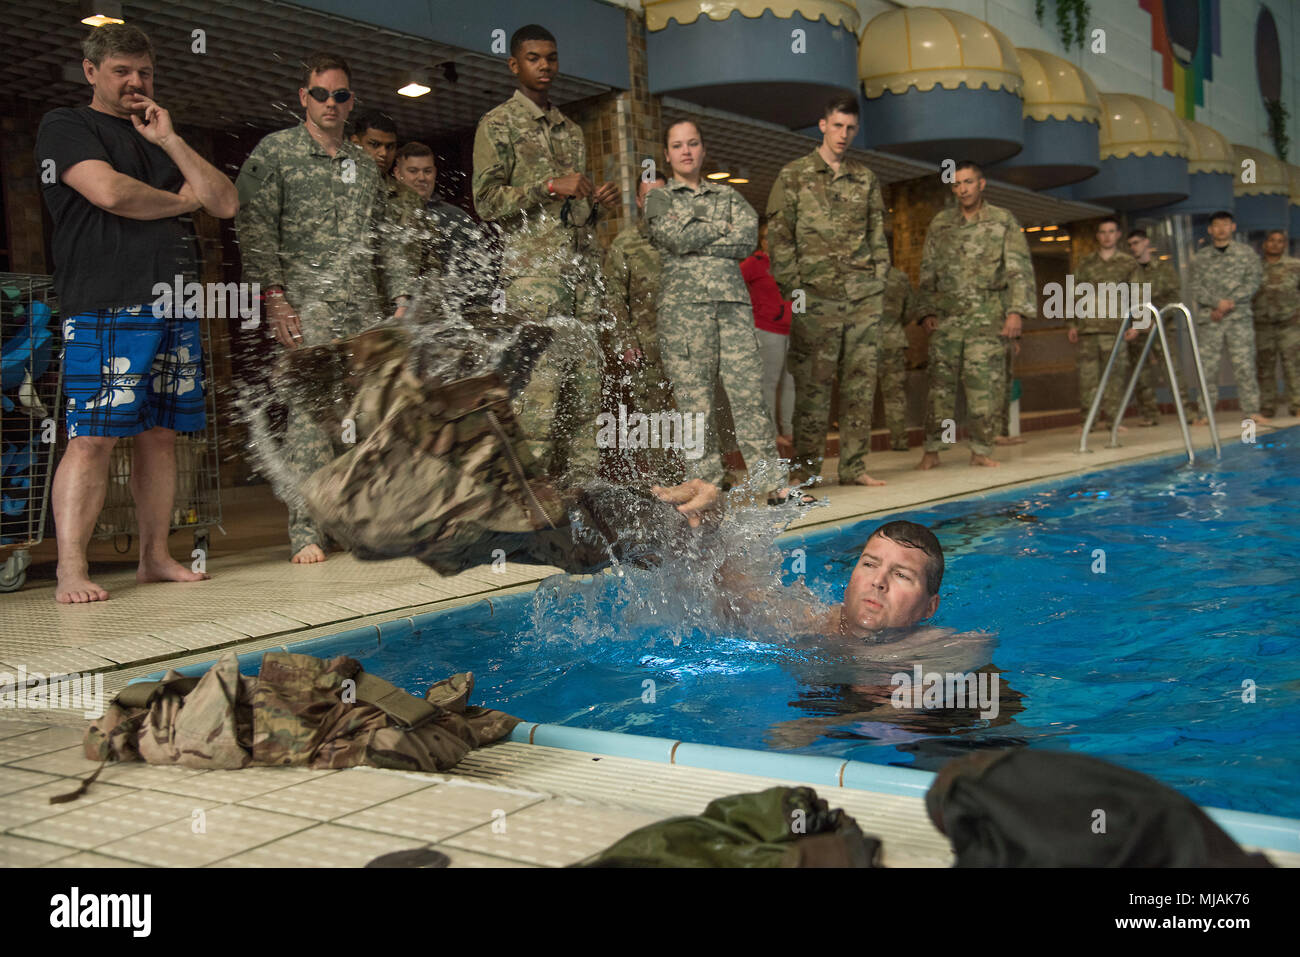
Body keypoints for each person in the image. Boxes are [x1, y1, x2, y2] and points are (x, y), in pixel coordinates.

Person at [37, 23, 238, 603]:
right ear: (91, 71)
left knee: (161, 436)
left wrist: (171, 141)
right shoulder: (66, 126)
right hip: (105, 301)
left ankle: (154, 557)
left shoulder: (163, 135)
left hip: (175, 303)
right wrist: (179, 203)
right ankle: (70, 569)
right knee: (93, 437)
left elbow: (224, 202)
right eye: (121, 71)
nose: (135, 82)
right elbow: (110, 193)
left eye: (144, 72)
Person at [235, 51, 415, 564]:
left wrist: (401, 295)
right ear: (303, 97)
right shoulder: (276, 153)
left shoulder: (363, 164)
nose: (329, 103)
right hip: (306, 308)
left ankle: (354, 524)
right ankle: (306, 532)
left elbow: (386, 238)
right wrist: (273, 297)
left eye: (339, 96)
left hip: (361, 309)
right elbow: (255, 229)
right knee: (309, 419)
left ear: (350, 101)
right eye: (320, 94)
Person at [471, 23, 617, 481]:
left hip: (579, 282)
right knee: (538, 401)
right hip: (535, 283)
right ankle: (530, 506)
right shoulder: (497, 124)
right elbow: (486, 203)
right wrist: (549, 185)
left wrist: (595, 205)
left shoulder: (570, 130)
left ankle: (582, 505)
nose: (545, 66)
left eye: (551, 57)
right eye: (534, 58)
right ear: (515, 64)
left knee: (585, 400)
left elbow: (572, 217)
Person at [646, 120, 789, 498]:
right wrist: (716, 228)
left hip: (732, 308)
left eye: (693, 143)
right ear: (667, 154)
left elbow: (745, 238)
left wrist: (697, 232)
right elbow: (672, 239)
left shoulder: (729, 196)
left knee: (749, 397)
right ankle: (707, 487)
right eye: (677, 145)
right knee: (696, 405)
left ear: (703, 149)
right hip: (683, 313)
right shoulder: (659, 198)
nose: (686, 151)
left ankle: (770, 485)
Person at [766, 96, 890, 486]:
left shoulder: (865, 178)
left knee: (860, 385)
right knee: (812, 389)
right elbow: (779, 237)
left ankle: (853, 468)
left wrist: (878, 281)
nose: (844, 135)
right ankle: (806, 472)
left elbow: (877, 237)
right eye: (837, 126)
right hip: (814, 298)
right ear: (822, 125)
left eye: (851, 128)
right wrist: (794, 288)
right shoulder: (793, 175)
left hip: (862, 298)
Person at [916, 161, 1035, 470]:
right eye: (957, 184)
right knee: (939, 389)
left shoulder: (1002, 221)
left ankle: (981, 449)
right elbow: (928, 271)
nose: (963, 189)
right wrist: (926, 309)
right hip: (948, 318)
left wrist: (1016, 312)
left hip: (989, 317)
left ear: (982, 184)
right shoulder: (941, 223)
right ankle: (933, 449)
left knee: (984, 388)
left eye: (968, 182)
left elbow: (1019, 270)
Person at [603, 170, 680, 482]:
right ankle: (664, 482)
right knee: (653, 418)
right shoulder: (625, 244)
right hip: (645, 347)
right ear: (638, 201)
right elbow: (612, 297)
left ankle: (702, 476)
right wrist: (625, 340)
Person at [1188, 211, 1268, 425]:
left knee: (1245, 366)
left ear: (1233, 227)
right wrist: (1216, 304)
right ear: (1210, 229)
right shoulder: (1201, 258)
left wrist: (1229, 303)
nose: (1221, 228)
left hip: (1239, 318)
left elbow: (1254, 282)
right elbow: (1195, 287)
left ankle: (1252, 410)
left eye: (1225, 224)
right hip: (1211, 319)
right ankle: (1205, 413)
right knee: (1207, 368)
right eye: (1217, 225)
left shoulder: (1246, 254)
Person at [391, 141, 493, 308]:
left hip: (448, 317)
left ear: (435, 173)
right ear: (398, 173)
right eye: (413, 171)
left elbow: (480, 276)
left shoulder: (456, 218)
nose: (421, 178)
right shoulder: (386, 214)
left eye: (427, 171)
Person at [1069, 217, 1141, 430]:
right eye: (1103, 232)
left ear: (1118, 235)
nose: (1107, 236)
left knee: (1115, 376)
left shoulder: (1128, 263)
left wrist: (1137, 323)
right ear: (1098, 236)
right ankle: (1088, 422)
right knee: (1087, 378)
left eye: (1111, 231)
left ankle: (1114, 420)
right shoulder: (1086, 263)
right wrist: (1071, 323)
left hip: (1116, 329)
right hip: (1088, 328)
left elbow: (1138, 293)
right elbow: (1074, 292)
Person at [740, 217, 794, 452]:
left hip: (793, 331)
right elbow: (734, 284)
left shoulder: (793, 263)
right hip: (767, 331)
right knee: (769, 383)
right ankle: (771, 433)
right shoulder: (754, 263)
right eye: (767, 237)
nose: (772, 242)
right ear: (761, 241)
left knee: (791, 382)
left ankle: (790, 431)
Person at [1126, 228, 1184, 420]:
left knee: (1171, 370)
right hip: (1136, 329)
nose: (1133, 247)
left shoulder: (1164, 268)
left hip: (1161, 326)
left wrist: (1154, 318)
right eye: (1130, 244)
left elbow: (1174, 297)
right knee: (1141, 373)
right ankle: (1150, 414)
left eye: (1136, 243)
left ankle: (1186, 412)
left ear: (1146, 243)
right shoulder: (1129, 271)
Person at [1251, 229, 1300, 418]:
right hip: (1263, 325)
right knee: (1264, 368)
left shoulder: (1295, 266)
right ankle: (1267, 406)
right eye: (1271, 241)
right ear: (1264, 244)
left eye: (1280, 241)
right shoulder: (1255, 267)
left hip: (1290, 325)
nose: (1275, 244)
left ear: (1285, 245)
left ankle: (1297, 404)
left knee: (1293, 366)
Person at [879, 264, 914, 451]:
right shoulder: (899, 277)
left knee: (855, 396)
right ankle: (899, 440)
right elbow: (909, 311)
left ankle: (853, 446)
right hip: (893, 339)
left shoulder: (857, 273)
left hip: (861, 341)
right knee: (895, 395)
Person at [349, 109, 398, 176]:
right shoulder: (334, 180)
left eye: (389, 147)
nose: (384, 153)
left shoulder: (398, 186)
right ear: (356, 144)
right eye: (375, 145)